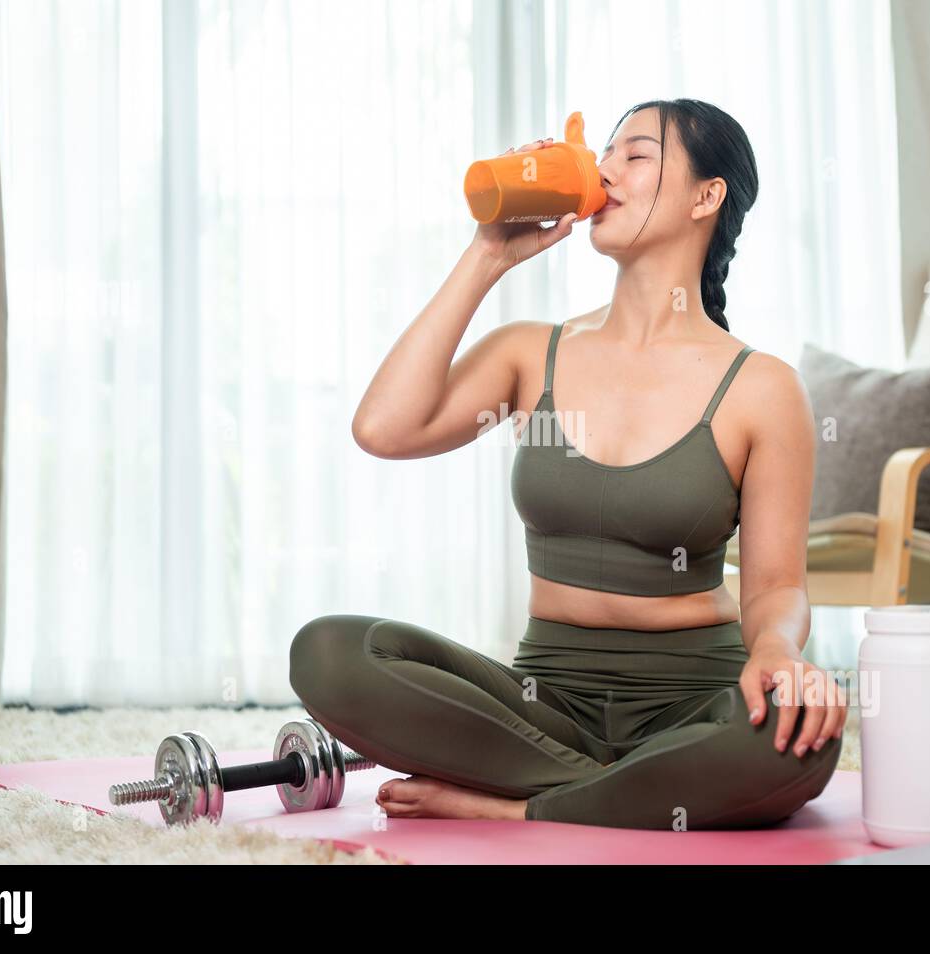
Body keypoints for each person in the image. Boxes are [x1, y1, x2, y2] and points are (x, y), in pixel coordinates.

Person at [289, 99, 847, 830]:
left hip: (696, 702)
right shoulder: (533, 353)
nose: (605, 170)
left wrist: (776, 651)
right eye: (605, 152)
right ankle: (632, 793)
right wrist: (488, 252)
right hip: (542, 708)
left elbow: (775, 586)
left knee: (799, 739)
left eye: (635, 155)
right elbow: (385, 427)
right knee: (329, 653)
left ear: (705, 197)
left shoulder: (761, 387)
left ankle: (519, 806)